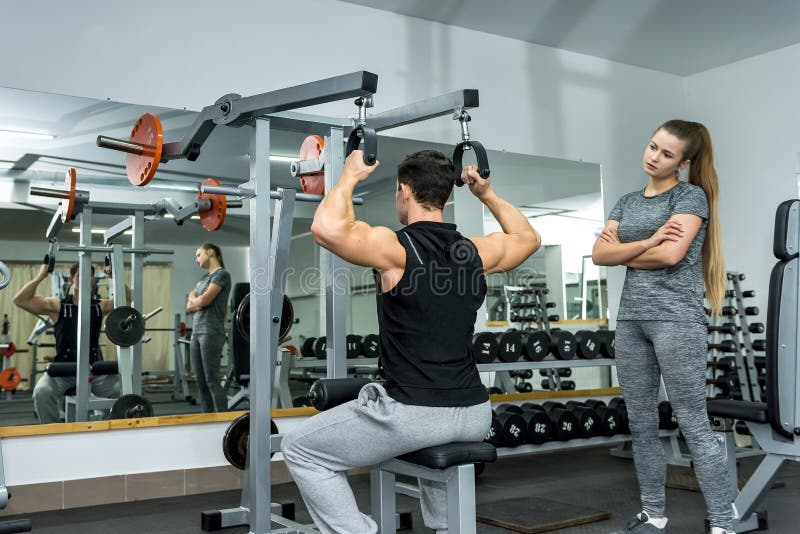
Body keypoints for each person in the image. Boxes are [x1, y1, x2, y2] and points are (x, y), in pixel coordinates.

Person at [281, 149, 541, 533]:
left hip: (415, 413)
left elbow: (327, 229)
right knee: (427, 443)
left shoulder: (397, 250)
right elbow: (528, 238)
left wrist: (350, 176)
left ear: (404, 191)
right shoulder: (474, 252)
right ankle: (448, 527)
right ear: (445, 196)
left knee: (300, 449)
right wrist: (486, 194)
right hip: (474, 412)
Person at [592, 120, 732, 534]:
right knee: (640, 423)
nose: (654, 156)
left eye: (667, 153)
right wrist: (649, 241)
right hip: (631, 320)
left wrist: (625, 251)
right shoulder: (626, 202)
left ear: (683, 163)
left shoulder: (690, 197)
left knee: (692, 421)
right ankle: (654, 513)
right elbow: (599, 255)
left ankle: (724, 522)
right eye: (653, 146)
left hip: (676, 320)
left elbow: (671, 257)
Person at [13, 262, 124, 424]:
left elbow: (127, 300)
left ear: (93, 281)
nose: (84, 279)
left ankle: (104, 427)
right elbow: (20, 300)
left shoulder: (99, 307)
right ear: (71, 280)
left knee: (124, 391)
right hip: (63, 370)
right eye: (79, 276)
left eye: (89, 276)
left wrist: (115, 277)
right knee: (41, 392)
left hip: (93, 371)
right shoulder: (58, 305)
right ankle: (53, 432)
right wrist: (41, 275)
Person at [186, 243, 231, 413]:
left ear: (210, 252)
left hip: (211, 331)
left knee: (212, 380)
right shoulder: (203, 279)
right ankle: (207, 419)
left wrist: (193, 297)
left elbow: (203, 301)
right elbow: (189, 307)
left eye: (198, 255)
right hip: (196, 331)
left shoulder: (222, 275)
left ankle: (223, 420)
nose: (196, 260)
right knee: (200, 381)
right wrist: (197, 301)